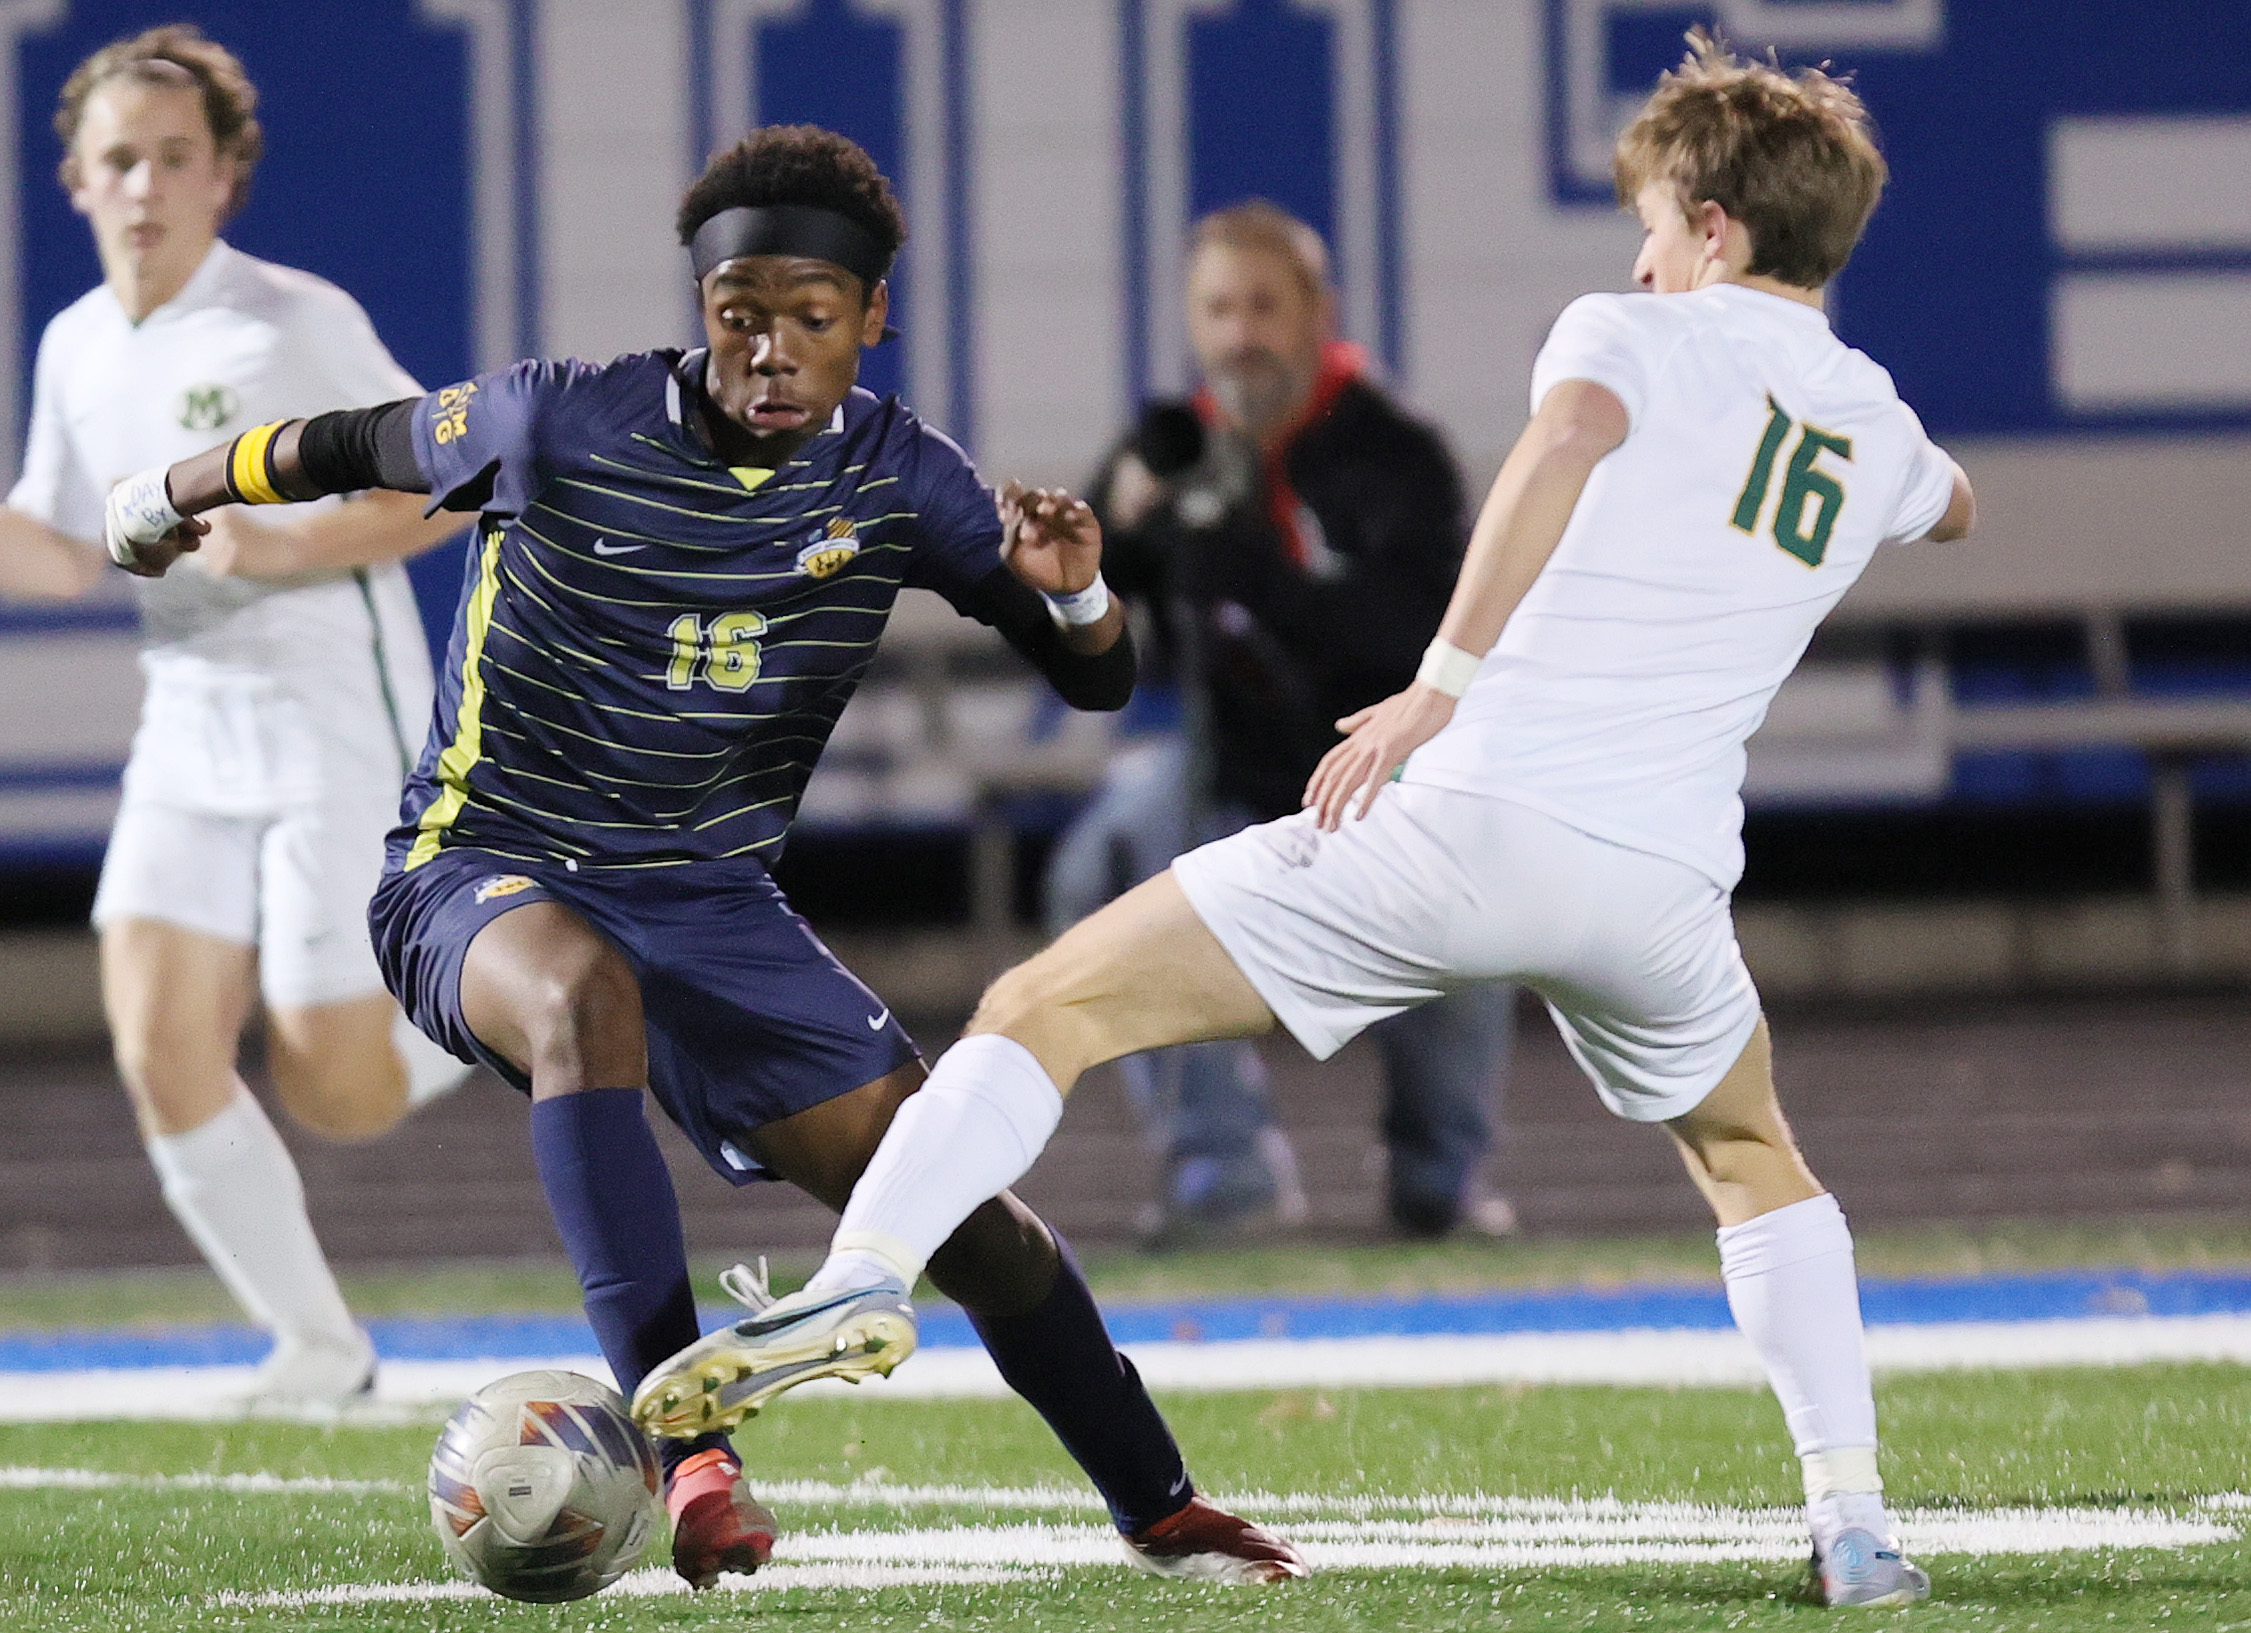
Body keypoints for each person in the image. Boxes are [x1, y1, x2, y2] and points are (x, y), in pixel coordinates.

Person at [677, 38, 1977, 1609]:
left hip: (1469, 822)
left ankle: (860, 1279)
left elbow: (1563, 443)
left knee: (1045, 1003)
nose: (1634, 252)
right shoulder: (1875, 430)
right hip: (1658, 891)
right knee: (1750, 1156)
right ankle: (1852, 1523)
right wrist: (1895, 468)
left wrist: (1437, 682)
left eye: (1648, 219)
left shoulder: (1628, 329)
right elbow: (1946, 500)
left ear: (1708, 226)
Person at [109, 126, 1307, 1590]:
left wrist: (1076, 598)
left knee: (952, 1210)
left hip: (713, 903)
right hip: (479, 866)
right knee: (578, 995)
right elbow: (343, 441)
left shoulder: (899, 476)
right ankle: (688, 1451)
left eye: (811, 318)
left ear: (869, 321)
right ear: (703, 309)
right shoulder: (562, 417)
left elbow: (1100, 686)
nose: (771, 349)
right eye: (741, 314)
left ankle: (1157, 1503)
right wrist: (175, 492)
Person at [0, 26, 467, 1407]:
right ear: (75, 181)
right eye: (117, 161)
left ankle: (510, 1007)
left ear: (223, 177)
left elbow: (437, 479)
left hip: (331, 715)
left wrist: (274, 547)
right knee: (158, 1044)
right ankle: (319, 1345)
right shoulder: (79, 343)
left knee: (333, 1087)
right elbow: (65, 542)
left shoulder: (288, 319)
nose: (143, 186)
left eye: (172, 158)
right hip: (189, 723)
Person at [1054, 200, 1515, 1244]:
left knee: (1472, 864)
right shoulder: (1171, 448)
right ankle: (1223, 1177)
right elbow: (1075, 634)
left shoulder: (1394, 453)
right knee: (1107, 861)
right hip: (1232, 773)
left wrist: (1270, 582)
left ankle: (1439, 1174)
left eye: (1264, 306)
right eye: (1217, 309)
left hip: (1382, 774)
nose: (1239, 334)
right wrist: (1097, 545)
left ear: (1319, 313)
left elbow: (1425, 637)